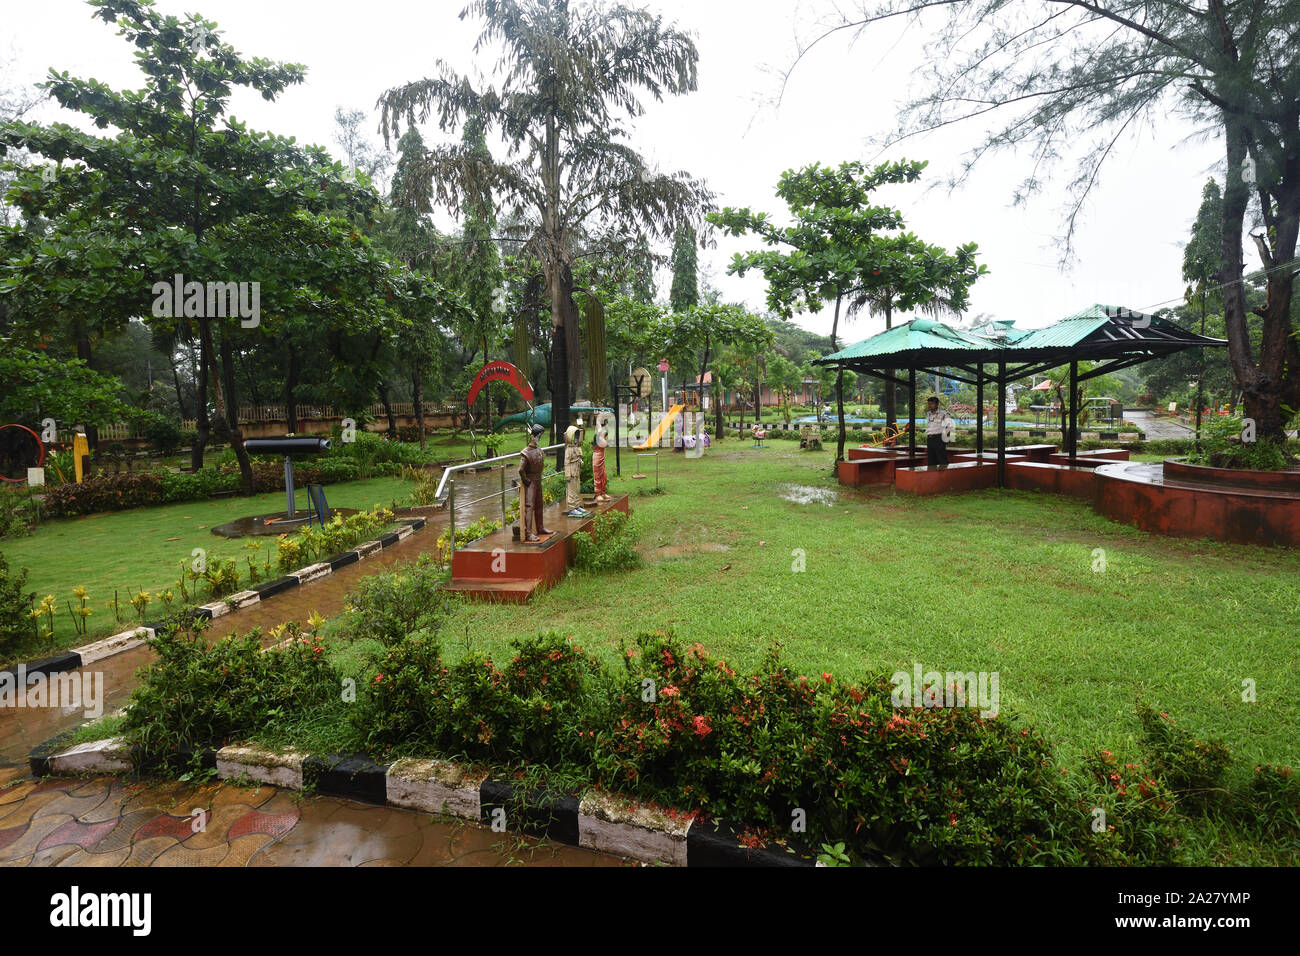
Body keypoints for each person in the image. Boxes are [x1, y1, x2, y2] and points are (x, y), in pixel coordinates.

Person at [519, 423, 551, 540]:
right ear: (532, 437)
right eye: (538, 436)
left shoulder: (538, 450)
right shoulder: (526, 452)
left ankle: (540, 527)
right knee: (529, 506)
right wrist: (525, 480)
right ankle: (528, 533)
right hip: (531, 481)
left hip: (538, 480)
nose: (538, 439)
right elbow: (521, 469)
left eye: (540, 437)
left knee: (539, 504)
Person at [925, 396, 952, 470]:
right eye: (929, 404)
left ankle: (945, 475)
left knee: (941, 458)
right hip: (930, 438)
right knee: (931, 459)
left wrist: (946, 438)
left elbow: (949, 426)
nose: (930, 405)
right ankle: (931, 476)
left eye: (932, 404)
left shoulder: (944, 413)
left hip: (939, 438)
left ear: (937, 404)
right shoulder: (928, 413)